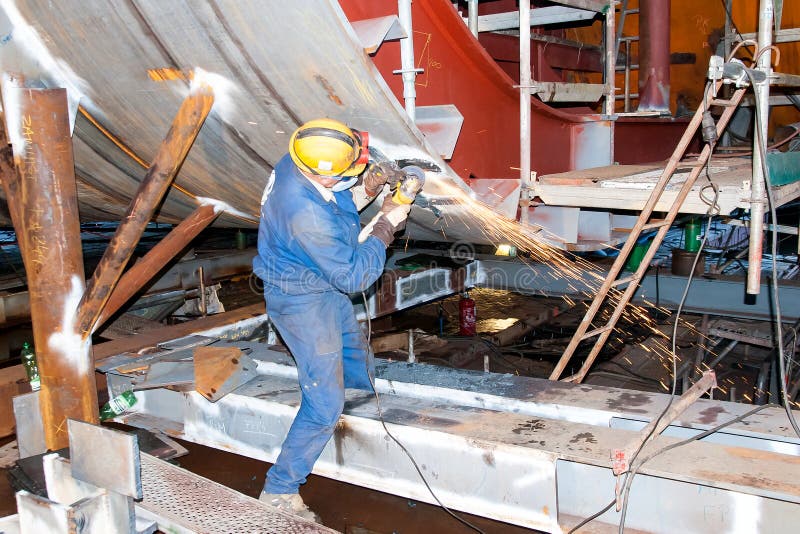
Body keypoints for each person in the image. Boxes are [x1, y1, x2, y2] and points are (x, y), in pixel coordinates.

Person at [252, 118, 412, 522]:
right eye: (347, 172)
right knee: (323, 403)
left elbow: (331, 204)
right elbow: (354, 276)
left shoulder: (299, 158)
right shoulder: (304, 213)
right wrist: (386, 225)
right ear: (324, 173)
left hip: (318, 281)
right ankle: (280, 488)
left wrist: (367, 187)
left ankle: (358, 421)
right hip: (301, 300)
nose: (352, 173)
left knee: (354, 355)